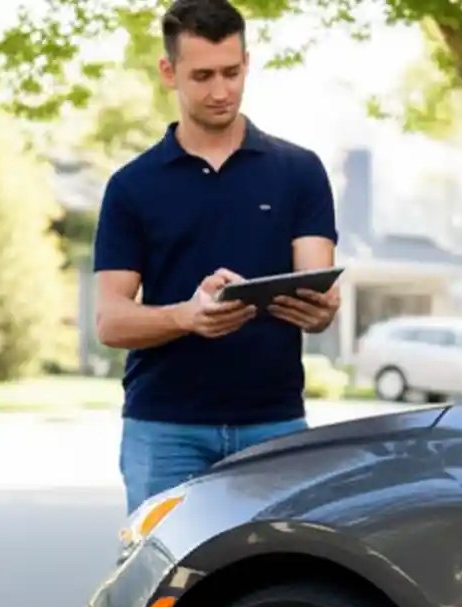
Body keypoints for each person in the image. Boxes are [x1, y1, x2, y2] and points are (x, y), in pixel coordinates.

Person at [92, 0, 341, 513]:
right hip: (165, 429)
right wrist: (189, 316)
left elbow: (319, 283)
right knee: (165, 585)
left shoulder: (299, 171)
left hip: (274, 424)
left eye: (232, 71)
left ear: (247, 62)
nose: (221, 90)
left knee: (277, 585)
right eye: (202, 76)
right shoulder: (132, 186)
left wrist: (324, 311)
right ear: (169, 72)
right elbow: (111, 321)